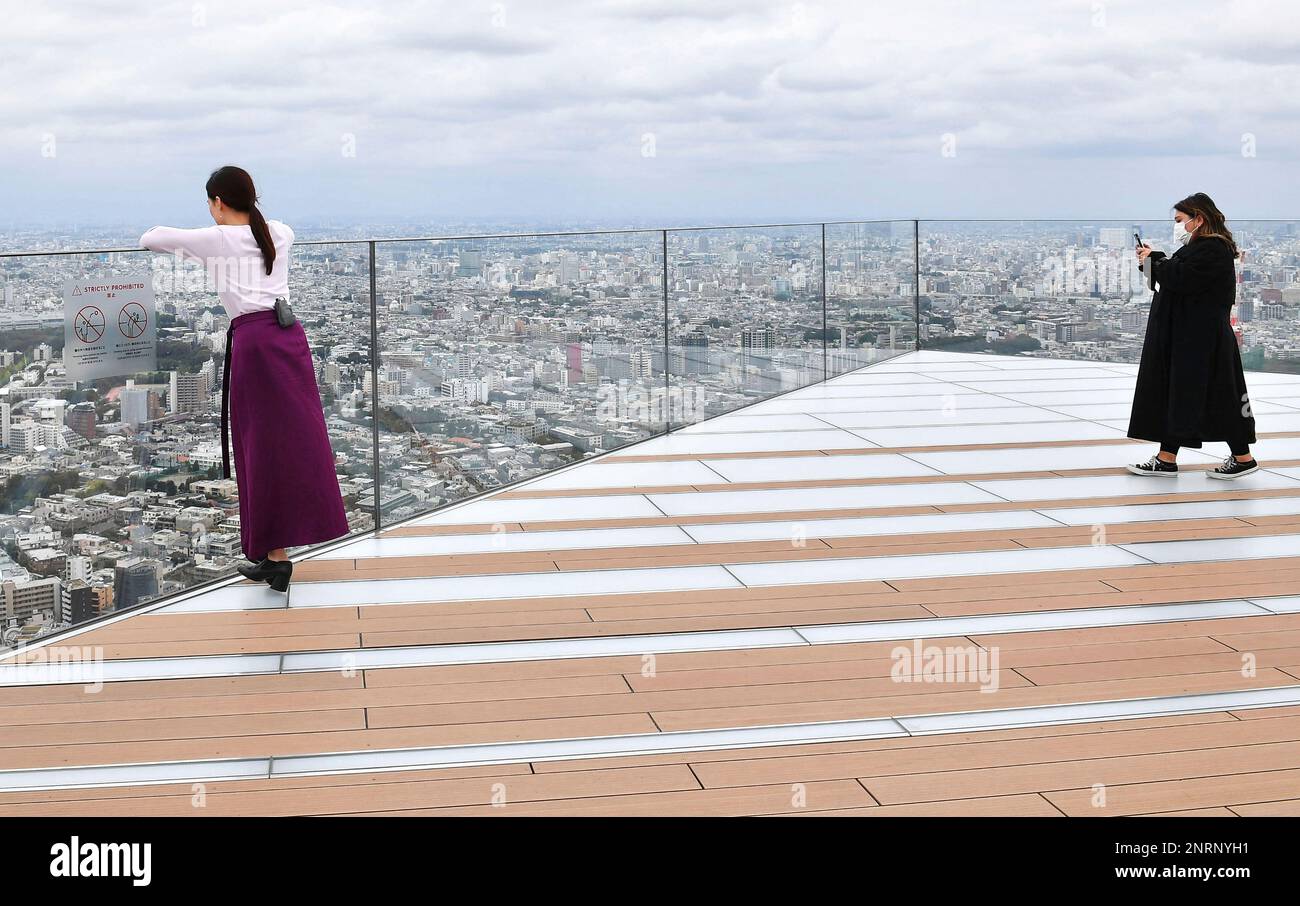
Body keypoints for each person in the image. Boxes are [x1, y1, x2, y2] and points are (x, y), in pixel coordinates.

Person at [140, 166, 350, 591]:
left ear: (218, 201)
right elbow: (273, 230)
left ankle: (273, 554)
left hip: (255, 344)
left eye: (210, 202)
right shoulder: (280, 232)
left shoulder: (216, 239)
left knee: (258, 445)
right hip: (290, 338)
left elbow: (151, 237)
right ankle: (277, 554)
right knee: (298, 440)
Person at [1126, 192, 1259, 480]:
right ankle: (1172, 458)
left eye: (1180, 220)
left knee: (1205, 393)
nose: (1177, 226)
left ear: (1199, 219)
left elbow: (1181, 279)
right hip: (1194, 336)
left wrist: (1156, 259)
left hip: (1200, 338)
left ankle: (1236, 457)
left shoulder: (1212, 248)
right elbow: (1175, 279)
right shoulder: (1201, 248)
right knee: (1196, 393)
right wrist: (1152, 261)